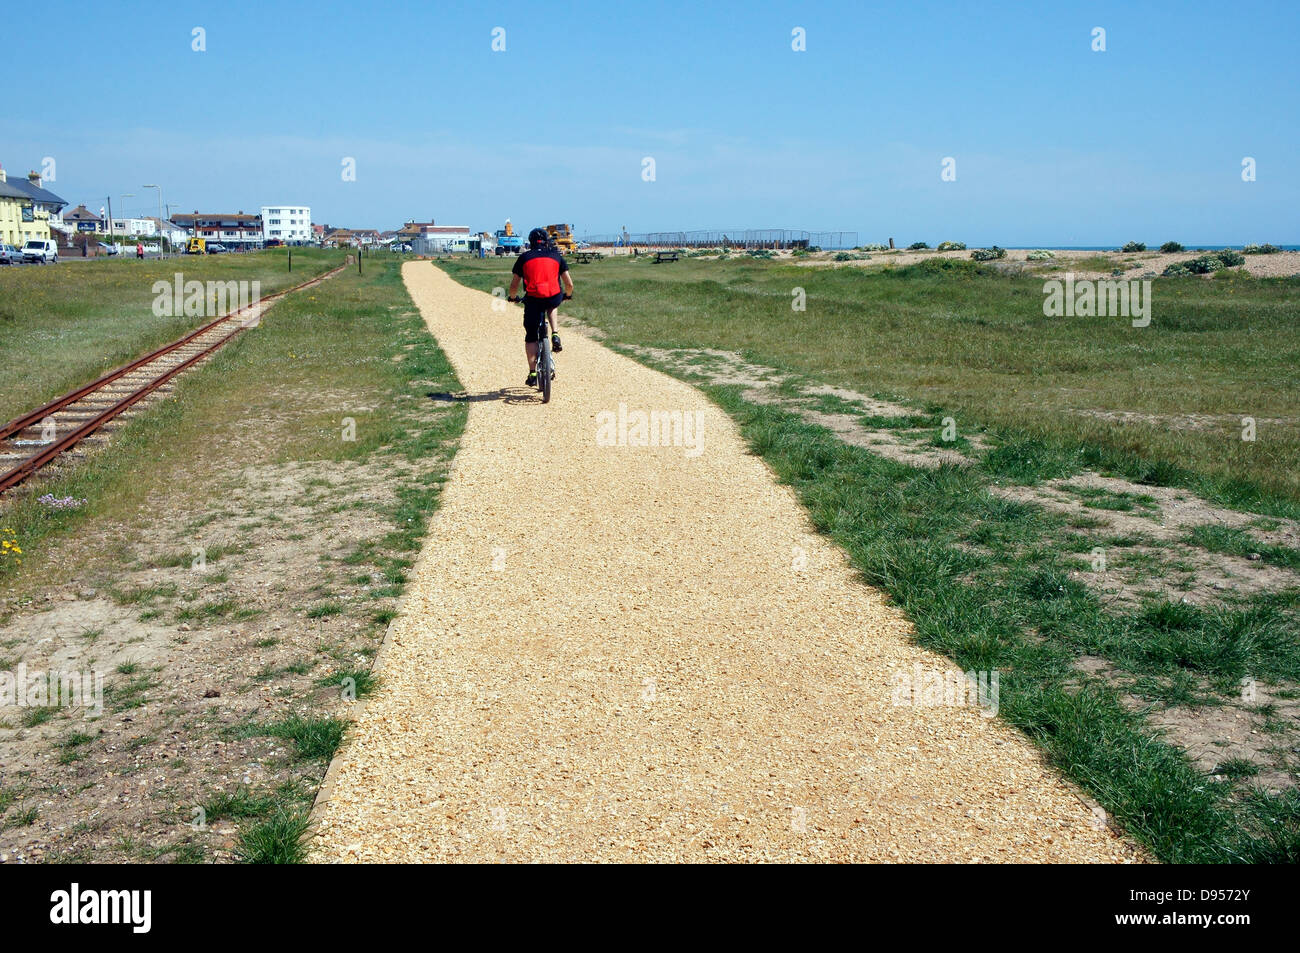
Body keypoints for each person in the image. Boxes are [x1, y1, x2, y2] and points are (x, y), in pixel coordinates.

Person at [507, 227, 573, 387]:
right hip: (552, 296)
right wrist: (568, 295)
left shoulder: (524, 257)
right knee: (553, 304)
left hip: (533, 299)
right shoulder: (556, 256)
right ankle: (555, 333)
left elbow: (514, 285)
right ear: (547, 241)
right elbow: (569, 284)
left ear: (530, 242)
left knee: (531, 335)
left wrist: (513, 298)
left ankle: (533, 372)